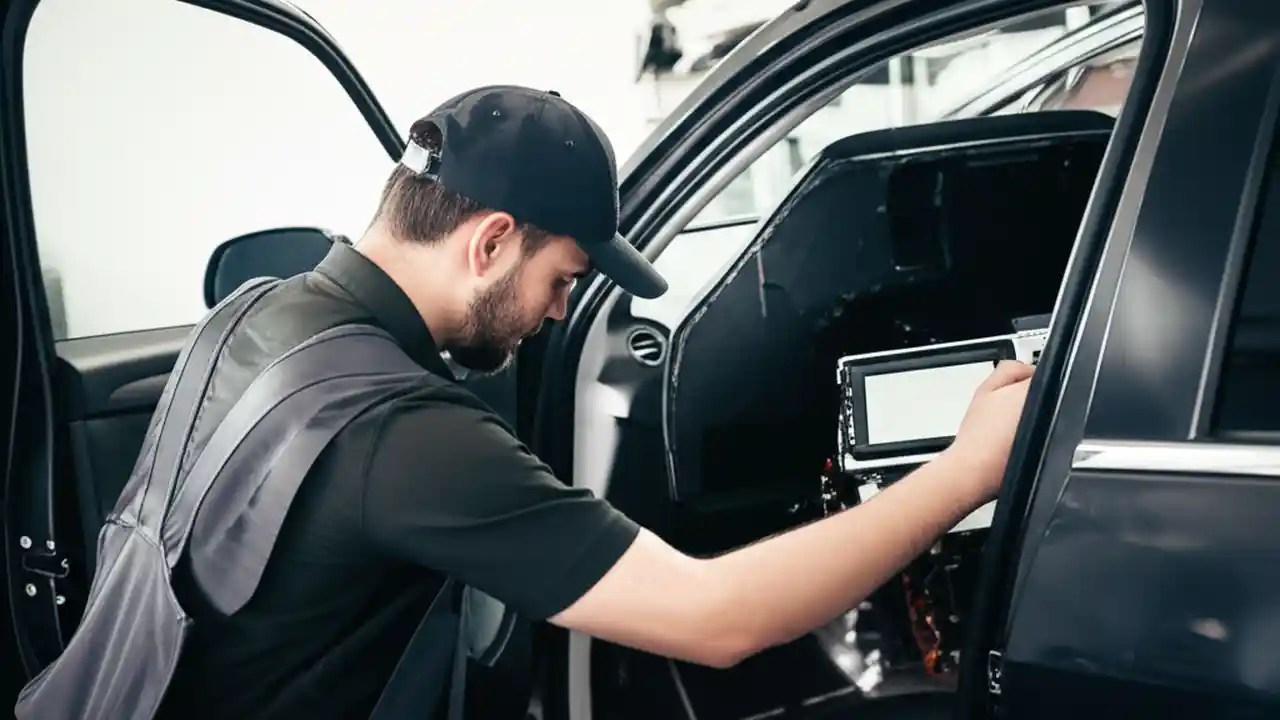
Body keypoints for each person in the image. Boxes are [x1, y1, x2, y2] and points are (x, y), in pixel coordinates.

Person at [157, 85, 1034, 718]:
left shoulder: (252, 313)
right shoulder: (405, 434)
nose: (561, 312)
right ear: (492, 241)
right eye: (564, 278)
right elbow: (720, 618)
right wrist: (966, 472)